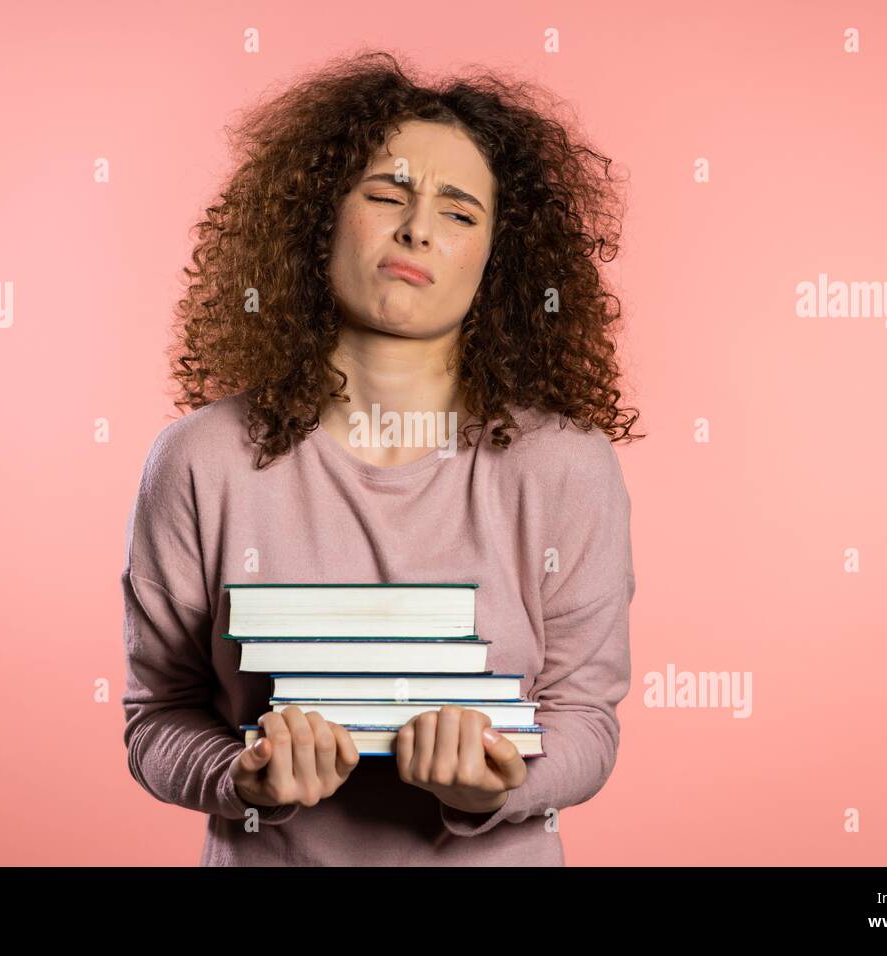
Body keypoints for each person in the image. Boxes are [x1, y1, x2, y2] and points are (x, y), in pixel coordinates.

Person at [120, 50, 642, 866]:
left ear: (498, 262)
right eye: (387, 194)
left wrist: (498, 787)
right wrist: (241, 776)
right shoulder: (199, 460)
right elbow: (158, 716)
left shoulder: (567, 467)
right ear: (318, 218)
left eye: (461, 214)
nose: (418, 229)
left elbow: (586, 719)